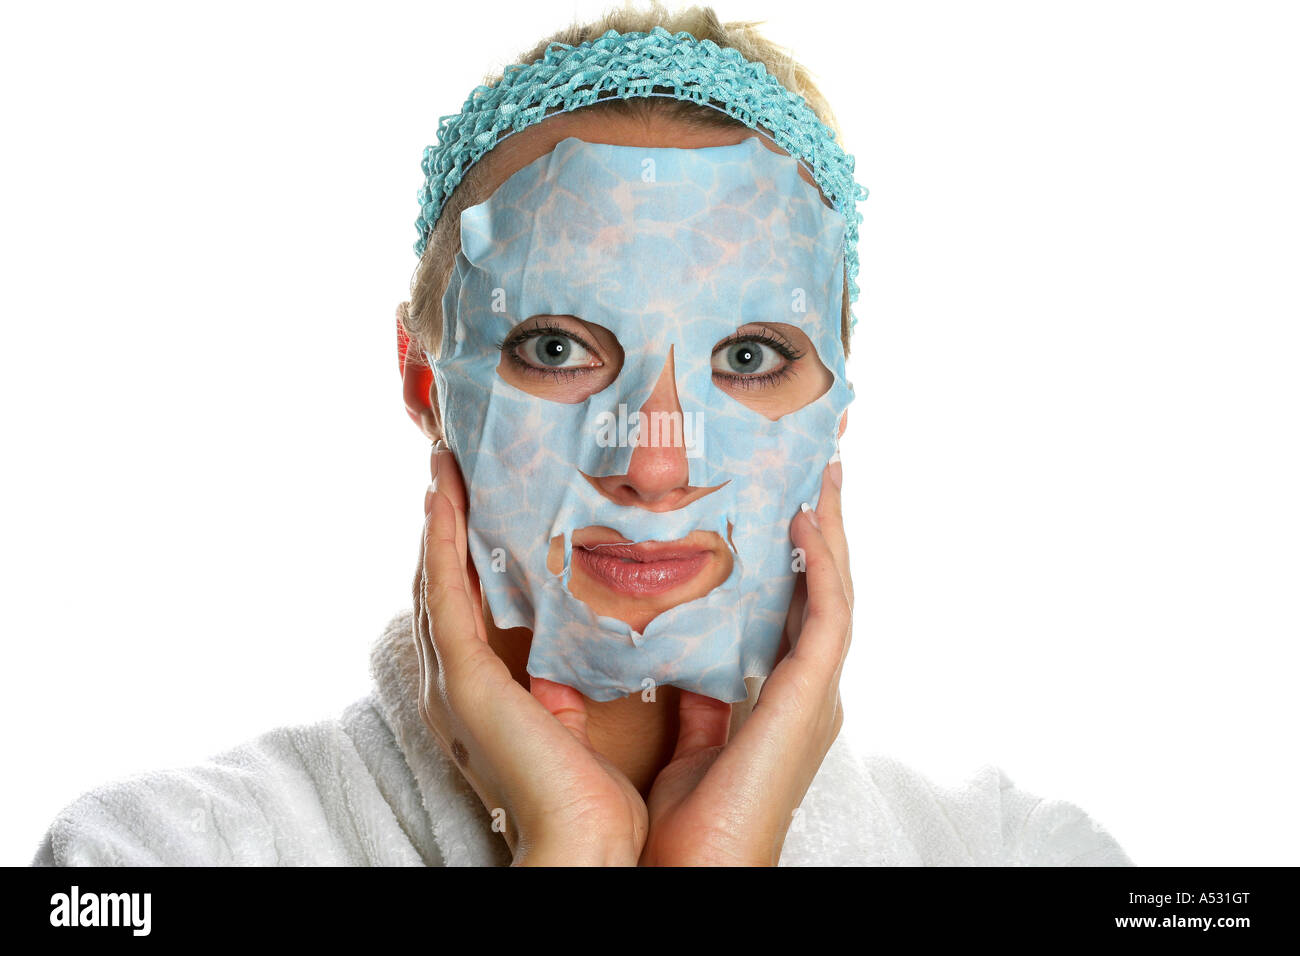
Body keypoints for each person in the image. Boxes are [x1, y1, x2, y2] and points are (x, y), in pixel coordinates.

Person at [30, 1, 1133, 867]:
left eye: (748, 355)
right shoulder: (160, 856)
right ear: (424, 378)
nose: (654, 462)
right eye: (557, 346)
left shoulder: (1023, 855)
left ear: (835, 398)